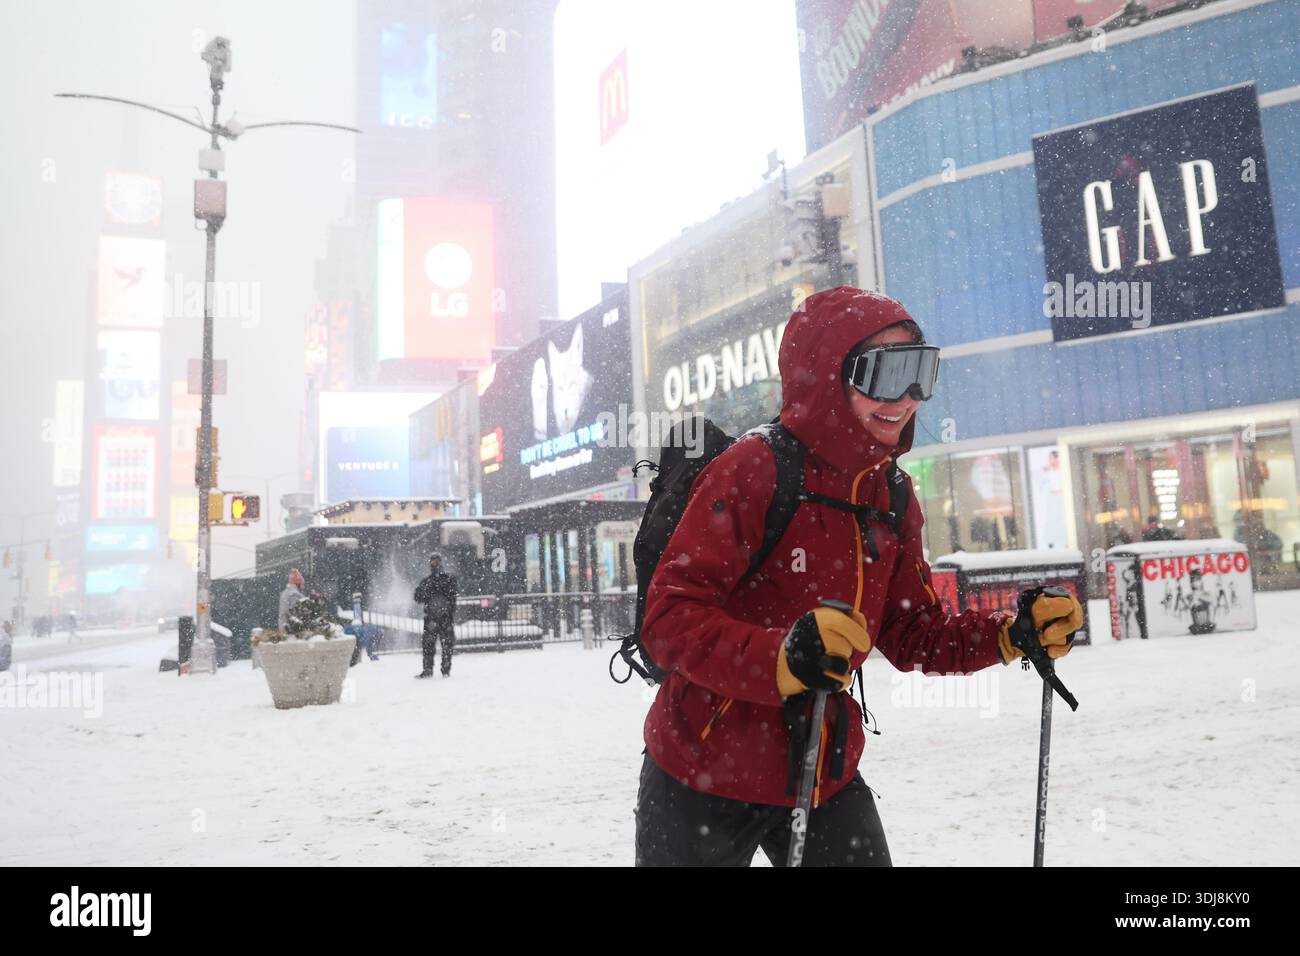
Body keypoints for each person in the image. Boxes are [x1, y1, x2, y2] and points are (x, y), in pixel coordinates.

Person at [634, 287, 1082, 867]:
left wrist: (1009, 635)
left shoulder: (890, 493)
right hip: (701, 769)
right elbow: (669, 618)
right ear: (826, 376)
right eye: (883, 374)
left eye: (920, 372)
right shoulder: (753, 469)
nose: (906, 398)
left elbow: (912, 632)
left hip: (821, 766)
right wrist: (781, 658)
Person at [414, 552, 458, 678]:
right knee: (433, 645)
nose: (435, 564)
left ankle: (442, 669)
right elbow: (418, 597)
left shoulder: (443, 580)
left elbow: (452, 596)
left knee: (443, 645)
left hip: (440, 617)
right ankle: (433, 669)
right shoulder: (432, 581)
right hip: (435, 617)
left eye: (437, 561)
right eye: (433, 562)